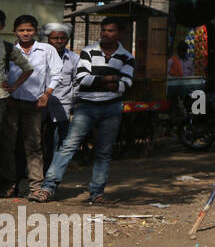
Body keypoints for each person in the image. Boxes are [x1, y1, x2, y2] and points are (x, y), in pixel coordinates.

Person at [34, 18, 134, 204]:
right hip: (86, 106)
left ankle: (97, 193)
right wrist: (110, 78)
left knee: (103, 152)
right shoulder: (88, 51)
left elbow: (126, 84)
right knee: (68, 147)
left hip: (112, 108)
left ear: (118, 33)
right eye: (103, 30)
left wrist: (104, 81)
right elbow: (82, 79)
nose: (105, 33)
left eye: (110, 30)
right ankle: (48, 187)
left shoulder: (127, 56)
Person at [2, 14, 47, 198]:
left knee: (33, 145)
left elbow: (32, 70)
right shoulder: (9, 48)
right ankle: (8, 184)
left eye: (29, 30)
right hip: (9, 103)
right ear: (14, 31)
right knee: (7, 145)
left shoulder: (44, 50)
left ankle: (36, 186)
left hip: (31, 103)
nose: (25, 33)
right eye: (21, 30)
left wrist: (46, 95)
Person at [41, 22, 79, 173]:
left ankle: (51, 177)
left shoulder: (74, 58)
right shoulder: (41, 56)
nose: (58, 41)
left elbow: (77, 82)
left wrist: (72, 101)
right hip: (40, 107)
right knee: (41, 144)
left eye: (62, 38)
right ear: (48, 39)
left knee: (58, 145)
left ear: (67, 40)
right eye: (54, 38)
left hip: (62, 108)